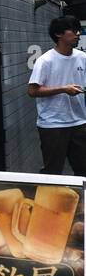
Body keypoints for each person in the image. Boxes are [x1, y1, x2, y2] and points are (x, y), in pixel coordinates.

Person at [29, 15, 86, 174]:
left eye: (79, 30)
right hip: (53, 125)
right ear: (59, 34)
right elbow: (32, 91)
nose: (78, 34)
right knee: (52, 173)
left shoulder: (82, 57)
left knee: (83, 171)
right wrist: (63, 89)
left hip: (80, 123)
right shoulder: (45, 60)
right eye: (74, 30)